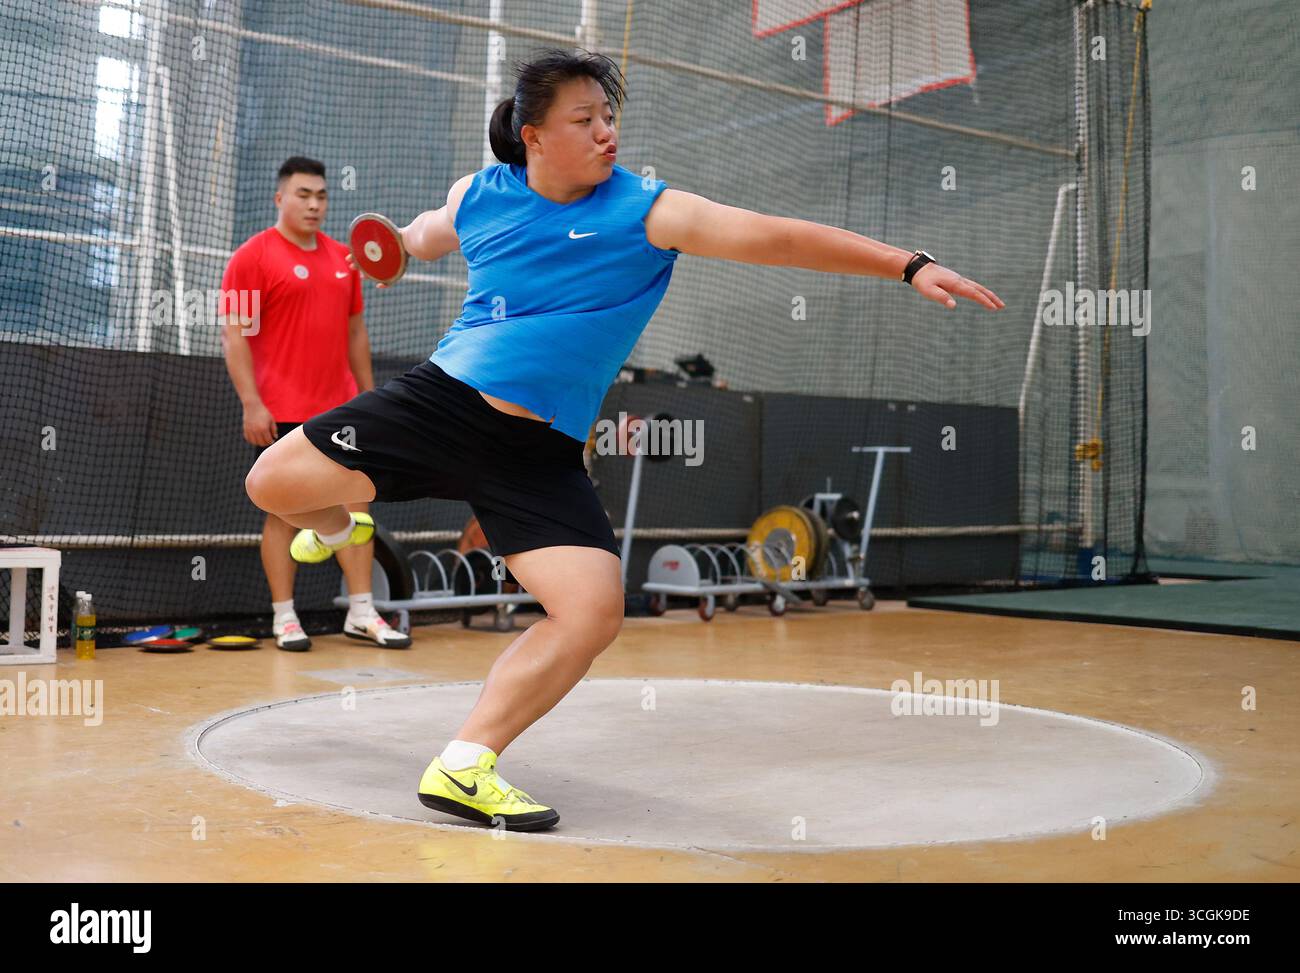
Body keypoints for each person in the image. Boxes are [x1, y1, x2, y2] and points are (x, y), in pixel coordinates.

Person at [245, 50, 1003, 831]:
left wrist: (907, 264)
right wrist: (394, 246)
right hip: (445, 404)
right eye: (586, 119)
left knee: (593, 609)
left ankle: (466, 762)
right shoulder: (481, 193)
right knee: (272, 482)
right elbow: (423, 237)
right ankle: (343, 525)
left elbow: (777, 239)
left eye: (610, 117)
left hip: (538, 451)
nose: (607, 132)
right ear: (534, 134)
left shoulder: (647, 211)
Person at [222, 156, 410, 651]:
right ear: (279, 198)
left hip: (342, 409)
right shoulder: (251, 257)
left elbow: (354, 330)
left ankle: (362, 613)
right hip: (280, 409)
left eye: (321, 195)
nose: (313, 204)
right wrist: (251, 403)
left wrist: (370, 397)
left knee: (358, 506)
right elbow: (236, 334)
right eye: (303, 194)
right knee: (284, 512)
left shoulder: (344, 258)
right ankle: (285, 618)